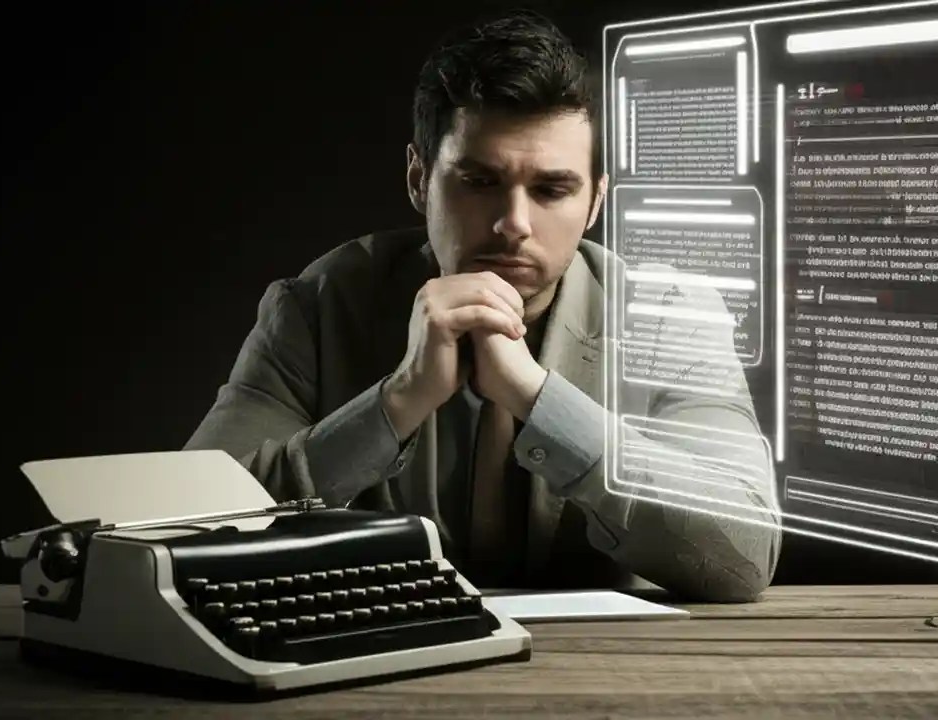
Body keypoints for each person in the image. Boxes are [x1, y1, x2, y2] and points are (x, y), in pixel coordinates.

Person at [185, 9, 781, 601]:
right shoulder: (317, 307)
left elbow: (744, 557)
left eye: (551, 190)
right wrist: (397, 403)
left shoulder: (665, 318)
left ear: (596, 203)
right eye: (479, 181)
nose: (513, 225)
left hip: (606, 675)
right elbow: (177, 528)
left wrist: (536, 397)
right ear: (419, 179)